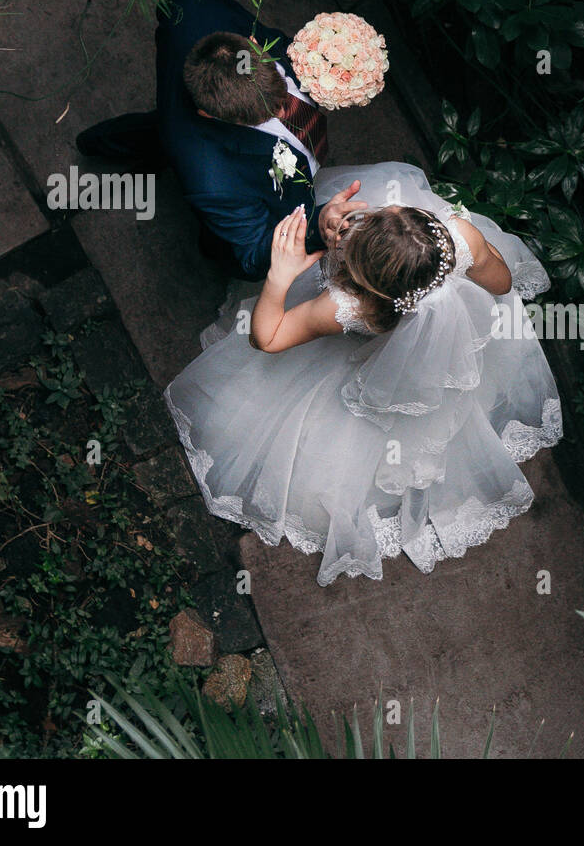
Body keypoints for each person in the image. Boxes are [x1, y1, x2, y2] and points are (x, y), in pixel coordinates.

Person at [164, 162, 560, 585]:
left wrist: (280, 276)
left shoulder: (343, 308)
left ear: (359, 278)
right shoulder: (461, 238)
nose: (367, 214)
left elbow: (268, 338)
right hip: (432, 334)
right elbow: (500, 284)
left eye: (365, 223)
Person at [76, 0, 349, 278]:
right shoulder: (213, 181)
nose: (285, 110)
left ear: (254, 46)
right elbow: (253, 255)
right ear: (208, 114)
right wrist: (316, 227)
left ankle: (113, 139)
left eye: (281, 97)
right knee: (175, 140)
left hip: (184, 122)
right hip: (194, 138)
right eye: (268, 114)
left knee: (164, 131)